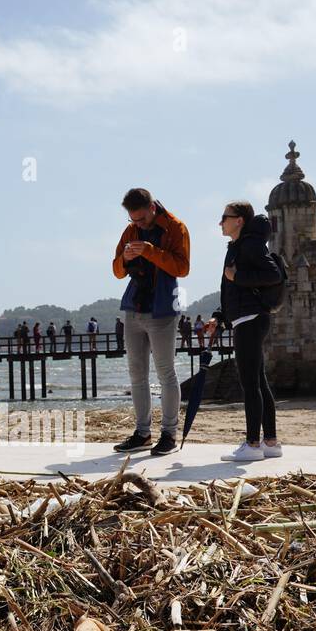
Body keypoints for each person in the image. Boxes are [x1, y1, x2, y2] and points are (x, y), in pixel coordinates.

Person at [111, 187, 190, 457]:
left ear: (152, 208)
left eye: (142, 219)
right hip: (133, 307)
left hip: (163, 308)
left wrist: (150, 251)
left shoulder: (176, 227)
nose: (138, 224)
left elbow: (182, 268)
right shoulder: (130, 230)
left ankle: (169, 434)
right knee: (136, 374)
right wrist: (125, 258)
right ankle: (142, 433)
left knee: (166, 373)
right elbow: (116, 270)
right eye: (133, 220)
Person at [215, 201, 286, 463]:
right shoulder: (237, 246)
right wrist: (220, 316)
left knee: (250, 384)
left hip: (251, 319)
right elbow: (232, 290)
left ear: (239, 221)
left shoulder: (249, 245)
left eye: (224, 217)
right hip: (245, 318)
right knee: (259, 382)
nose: (220, 222)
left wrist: (238, 277)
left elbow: (273, 275)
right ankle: (270, 442)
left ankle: (253, 444)